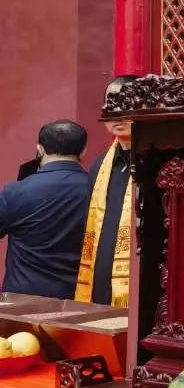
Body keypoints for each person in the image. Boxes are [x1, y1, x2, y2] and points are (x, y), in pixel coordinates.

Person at [0, 121, 90, 298]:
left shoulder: (16, 192)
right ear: (83, 151)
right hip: (79, 300)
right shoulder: (97, 190)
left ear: (39, 149)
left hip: (21, 303)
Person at [77, 75, 138, 309]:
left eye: (127, 102)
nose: (117, 112)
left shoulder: (159, 161)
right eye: (111, 103)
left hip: (144, 288)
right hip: (99, 289)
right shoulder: (101, 164)